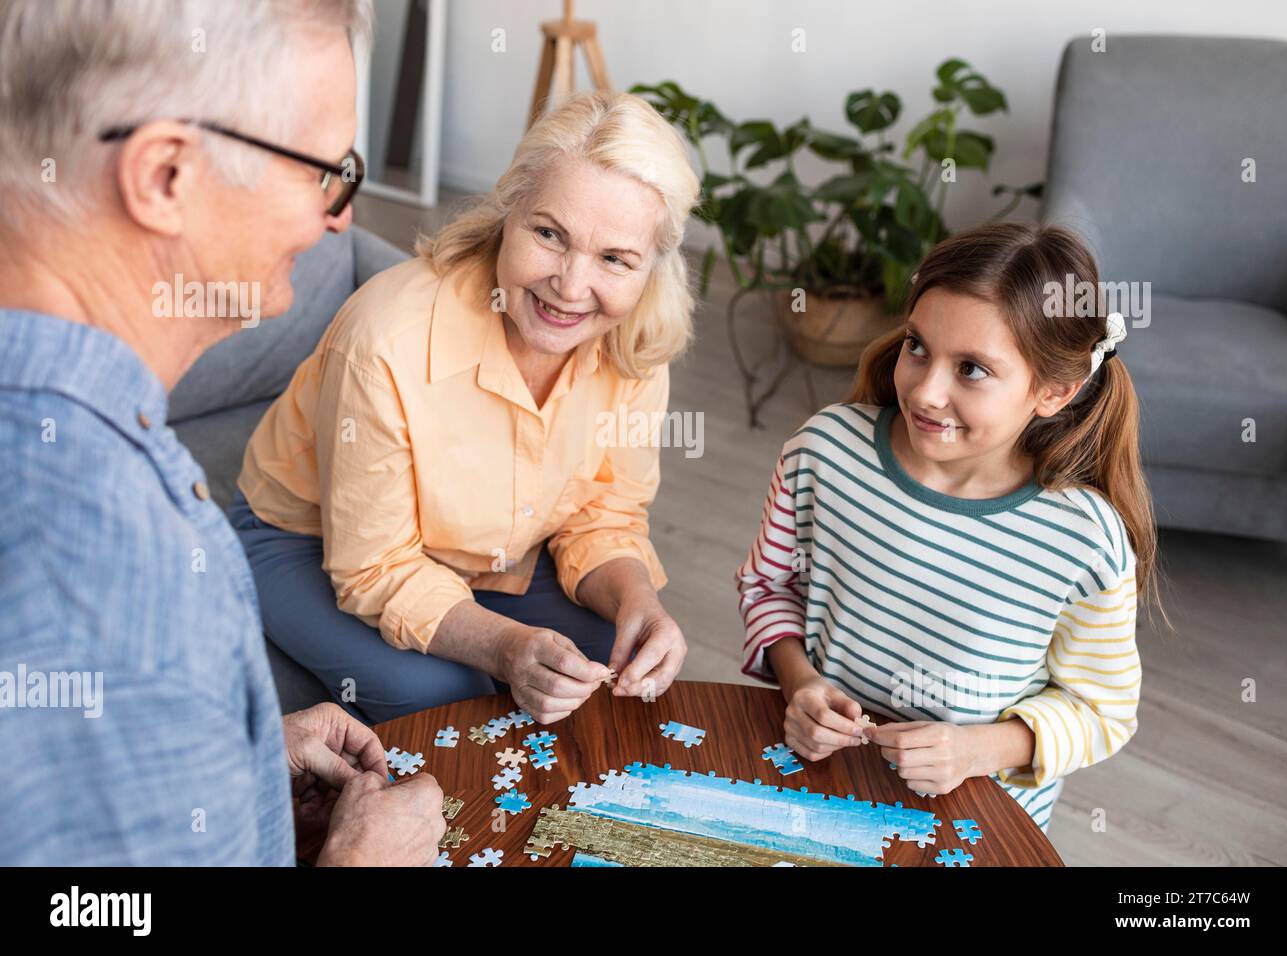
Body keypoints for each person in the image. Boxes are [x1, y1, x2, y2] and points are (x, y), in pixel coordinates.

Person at [0, 0, 445, 865]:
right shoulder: (101, 555)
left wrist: (233, 766)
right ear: (167, 175)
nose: (340, 218)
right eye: (327, 170)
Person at [230, 90, 698, 724]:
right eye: (549, 234)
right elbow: (375, 566)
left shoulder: (637, 341)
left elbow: (603, 514)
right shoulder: (385, 341)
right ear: (509, 212)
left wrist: (637, 600)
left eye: (615, 259)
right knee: (446, 697)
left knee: (610, 674)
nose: (570, 285)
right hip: (307, 540)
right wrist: (506, 649)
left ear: (651, 270)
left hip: (501, 549)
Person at [736, 222, 1158, 833]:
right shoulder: (823, 451)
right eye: (917, 347)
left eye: (972, 370)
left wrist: (977, 751)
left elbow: (1103, 712)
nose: (926, 391)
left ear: (1054, 390)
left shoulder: (1083, 541)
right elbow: (769, 588)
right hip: (811, 776)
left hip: (971, 820)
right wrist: (799, 683)